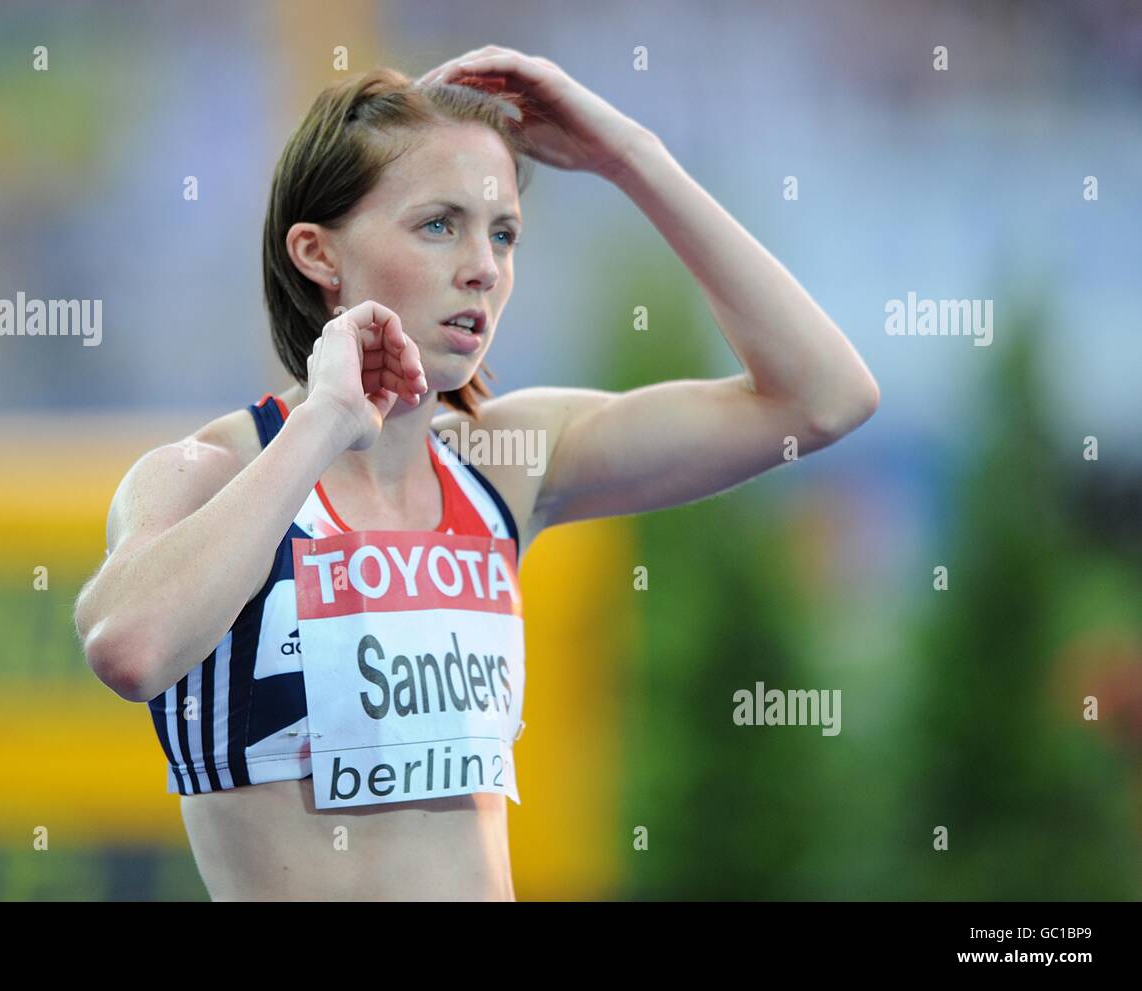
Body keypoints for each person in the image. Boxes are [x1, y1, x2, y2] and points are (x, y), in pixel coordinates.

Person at [73, 45, 880, 901]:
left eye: (503, 233)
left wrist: (629, 158)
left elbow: (823, 400)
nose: (483, 266)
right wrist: (326, 424)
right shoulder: (210, 470)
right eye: (438, 224)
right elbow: (128, 647)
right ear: (317, 253)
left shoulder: (507, 462)